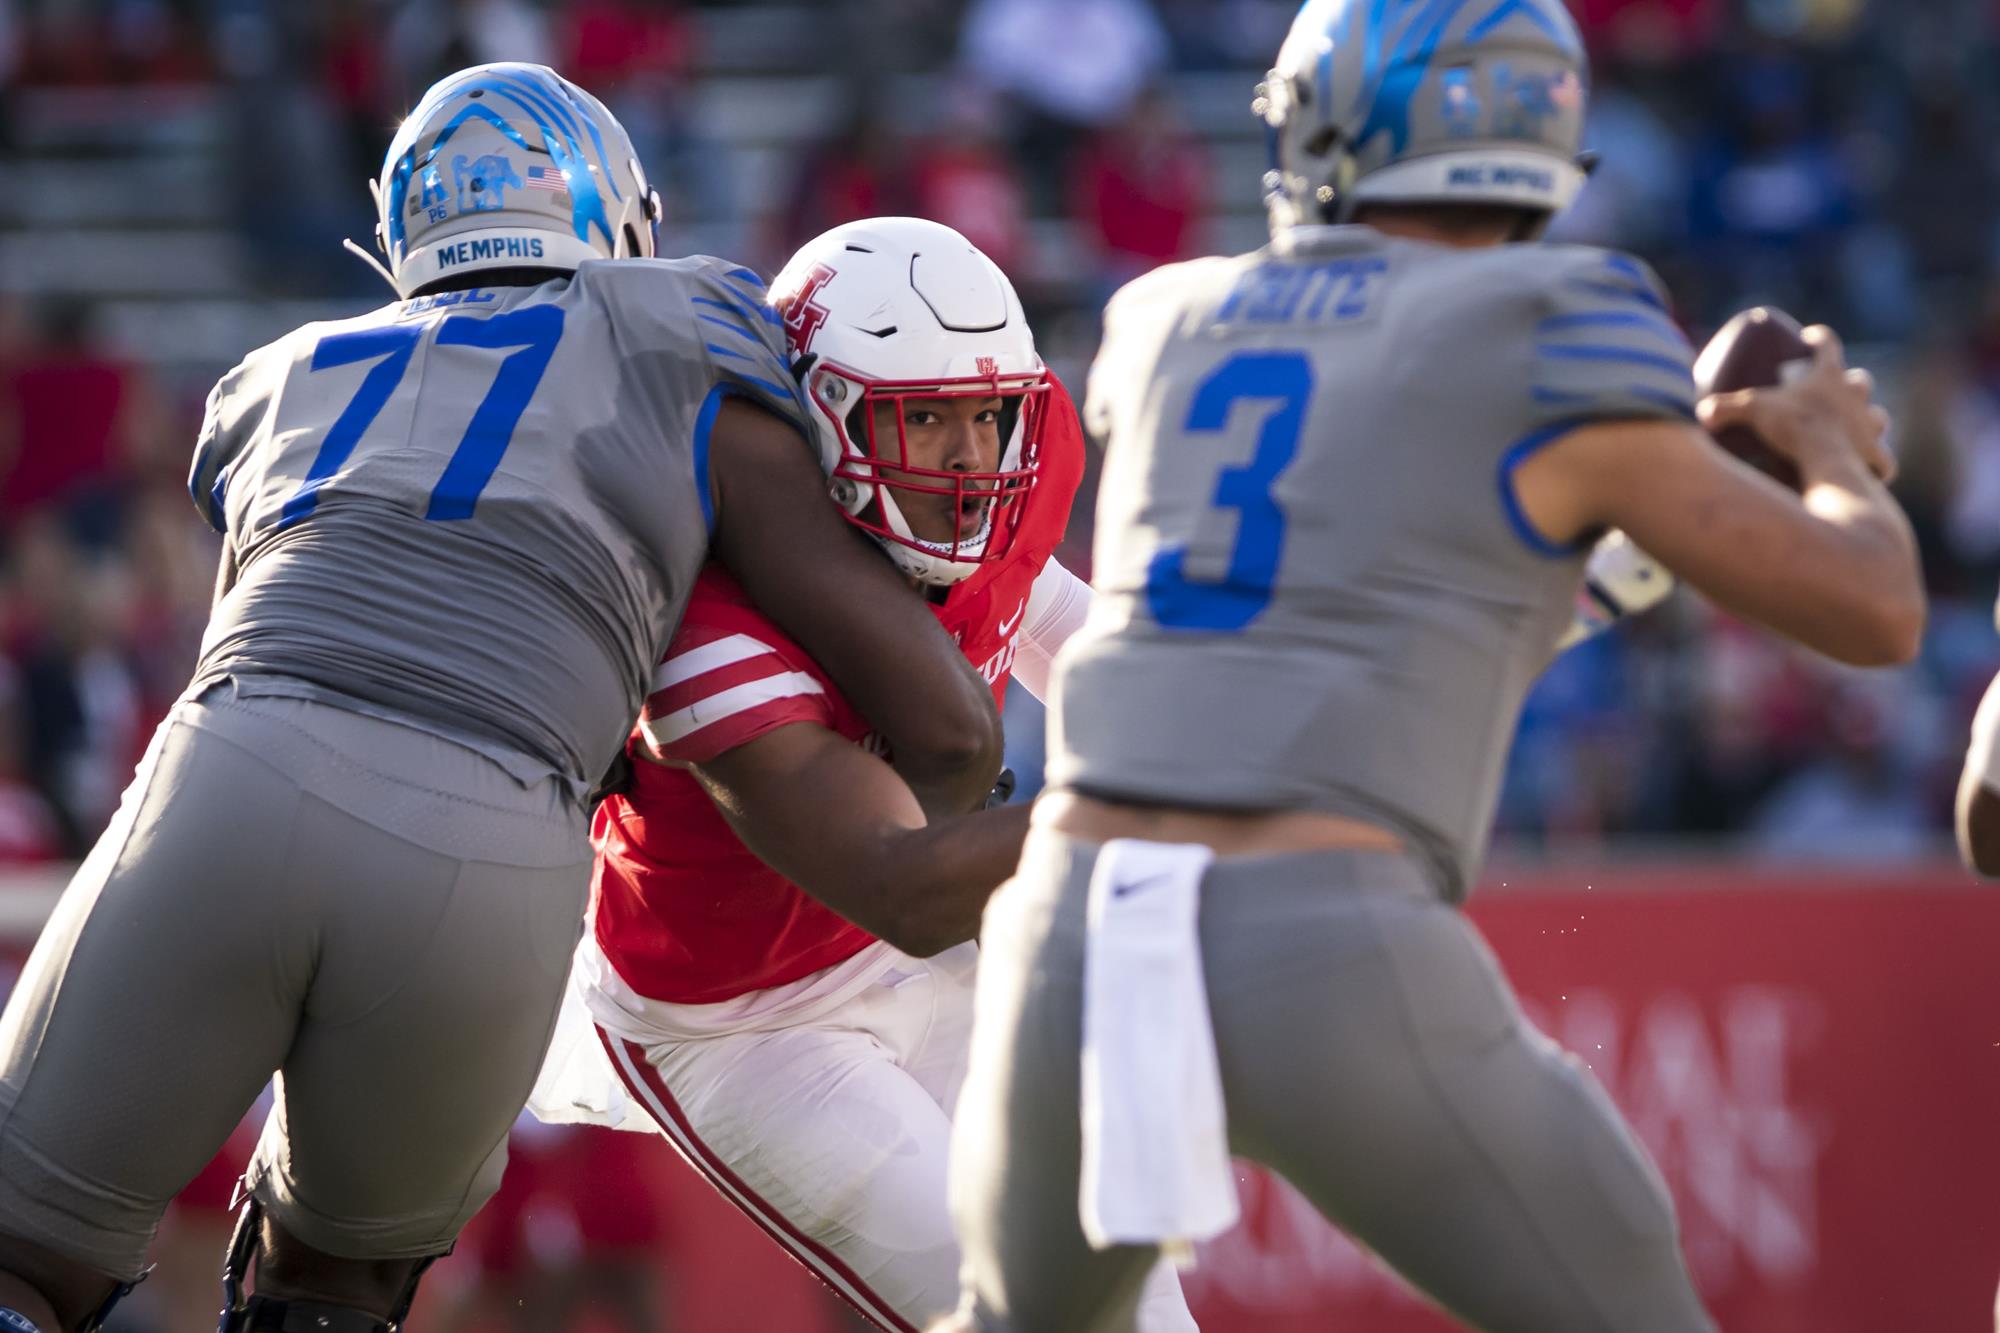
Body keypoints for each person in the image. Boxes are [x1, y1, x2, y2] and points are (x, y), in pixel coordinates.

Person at [937, 2, 1923, 1331]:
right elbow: (1874, 611)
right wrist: (1830, 455)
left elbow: (1362, 602)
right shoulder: (1552, 315)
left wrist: (1627, 545)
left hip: (1077, 926)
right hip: (1319, 939)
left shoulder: (1167, 318)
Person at [0, 66, 1001, 1333]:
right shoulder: (680, 324)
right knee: (326, 1295)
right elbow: (941, 719)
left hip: (227, 774)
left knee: (24, 1257)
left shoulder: (279, 375)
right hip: (495, 831)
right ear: (612, 212)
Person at [528, 217, 1199, 1333]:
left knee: (1134, 1311)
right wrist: (1167, 805)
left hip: (914, 956)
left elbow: (1034, 614)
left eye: (984, 413)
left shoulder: (989, 492)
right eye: (922, 417)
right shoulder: (710, 624)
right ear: (817, 418)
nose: (971, 456)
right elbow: (907, 886)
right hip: (747, 1019)